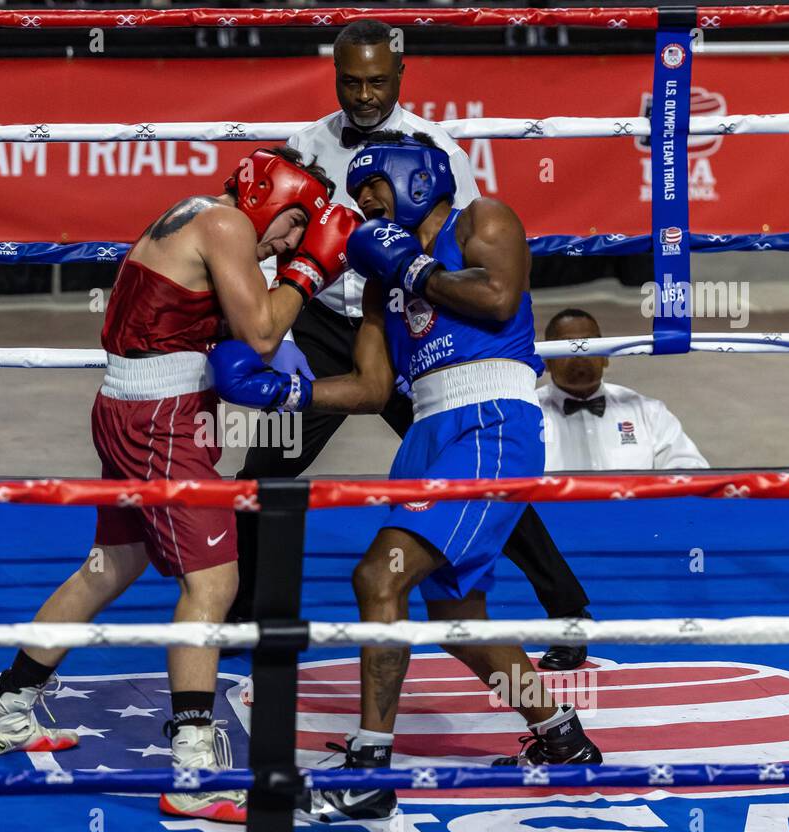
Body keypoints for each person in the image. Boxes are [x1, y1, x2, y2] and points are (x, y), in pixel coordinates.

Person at [213, 133, 602, 822]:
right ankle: (561, 736)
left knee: (378, 577)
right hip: (426, 432)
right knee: (456, 615)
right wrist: (285, 395)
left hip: (492, 422)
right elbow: (370, 388)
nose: (364, 205)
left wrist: (413, 267)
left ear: (416, 178)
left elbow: (500, 298)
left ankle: (369, 769)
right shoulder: (381, 281)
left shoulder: (483, 220)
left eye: (373, 190)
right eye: (358, 198)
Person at [0, 147, 360, 824]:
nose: (293, 239)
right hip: (160, 420)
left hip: (138, 406)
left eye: (303, 233)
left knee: (112, 564)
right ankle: (193, 774)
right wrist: (311, 267)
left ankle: (7, 712)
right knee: (213, 584)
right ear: (273, 195)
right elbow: (262, 332)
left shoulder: (197, 213)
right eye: (296, 221)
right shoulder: (229, 226)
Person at [232, 17, 592, 672]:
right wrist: (270, 320)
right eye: (351, 82)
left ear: (400, 75)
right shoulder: (306, 143)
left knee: (477, 470)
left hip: (404, 318)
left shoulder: (436, 146)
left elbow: (468, 244)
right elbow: (274, 228)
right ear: (334, 76)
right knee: (268, 464)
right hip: (322, 319)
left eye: (376, 81)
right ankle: (245, 615)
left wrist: (424, 295)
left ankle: (565, 602)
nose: (364, 95)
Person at [539, 309, 710, 470]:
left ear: (606, 357)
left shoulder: (648, 412)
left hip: (639, 502)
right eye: (567, 347)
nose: (580, 354)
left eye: (589, 345)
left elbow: (690, 468)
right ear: (546, 361)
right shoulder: (524, 414)